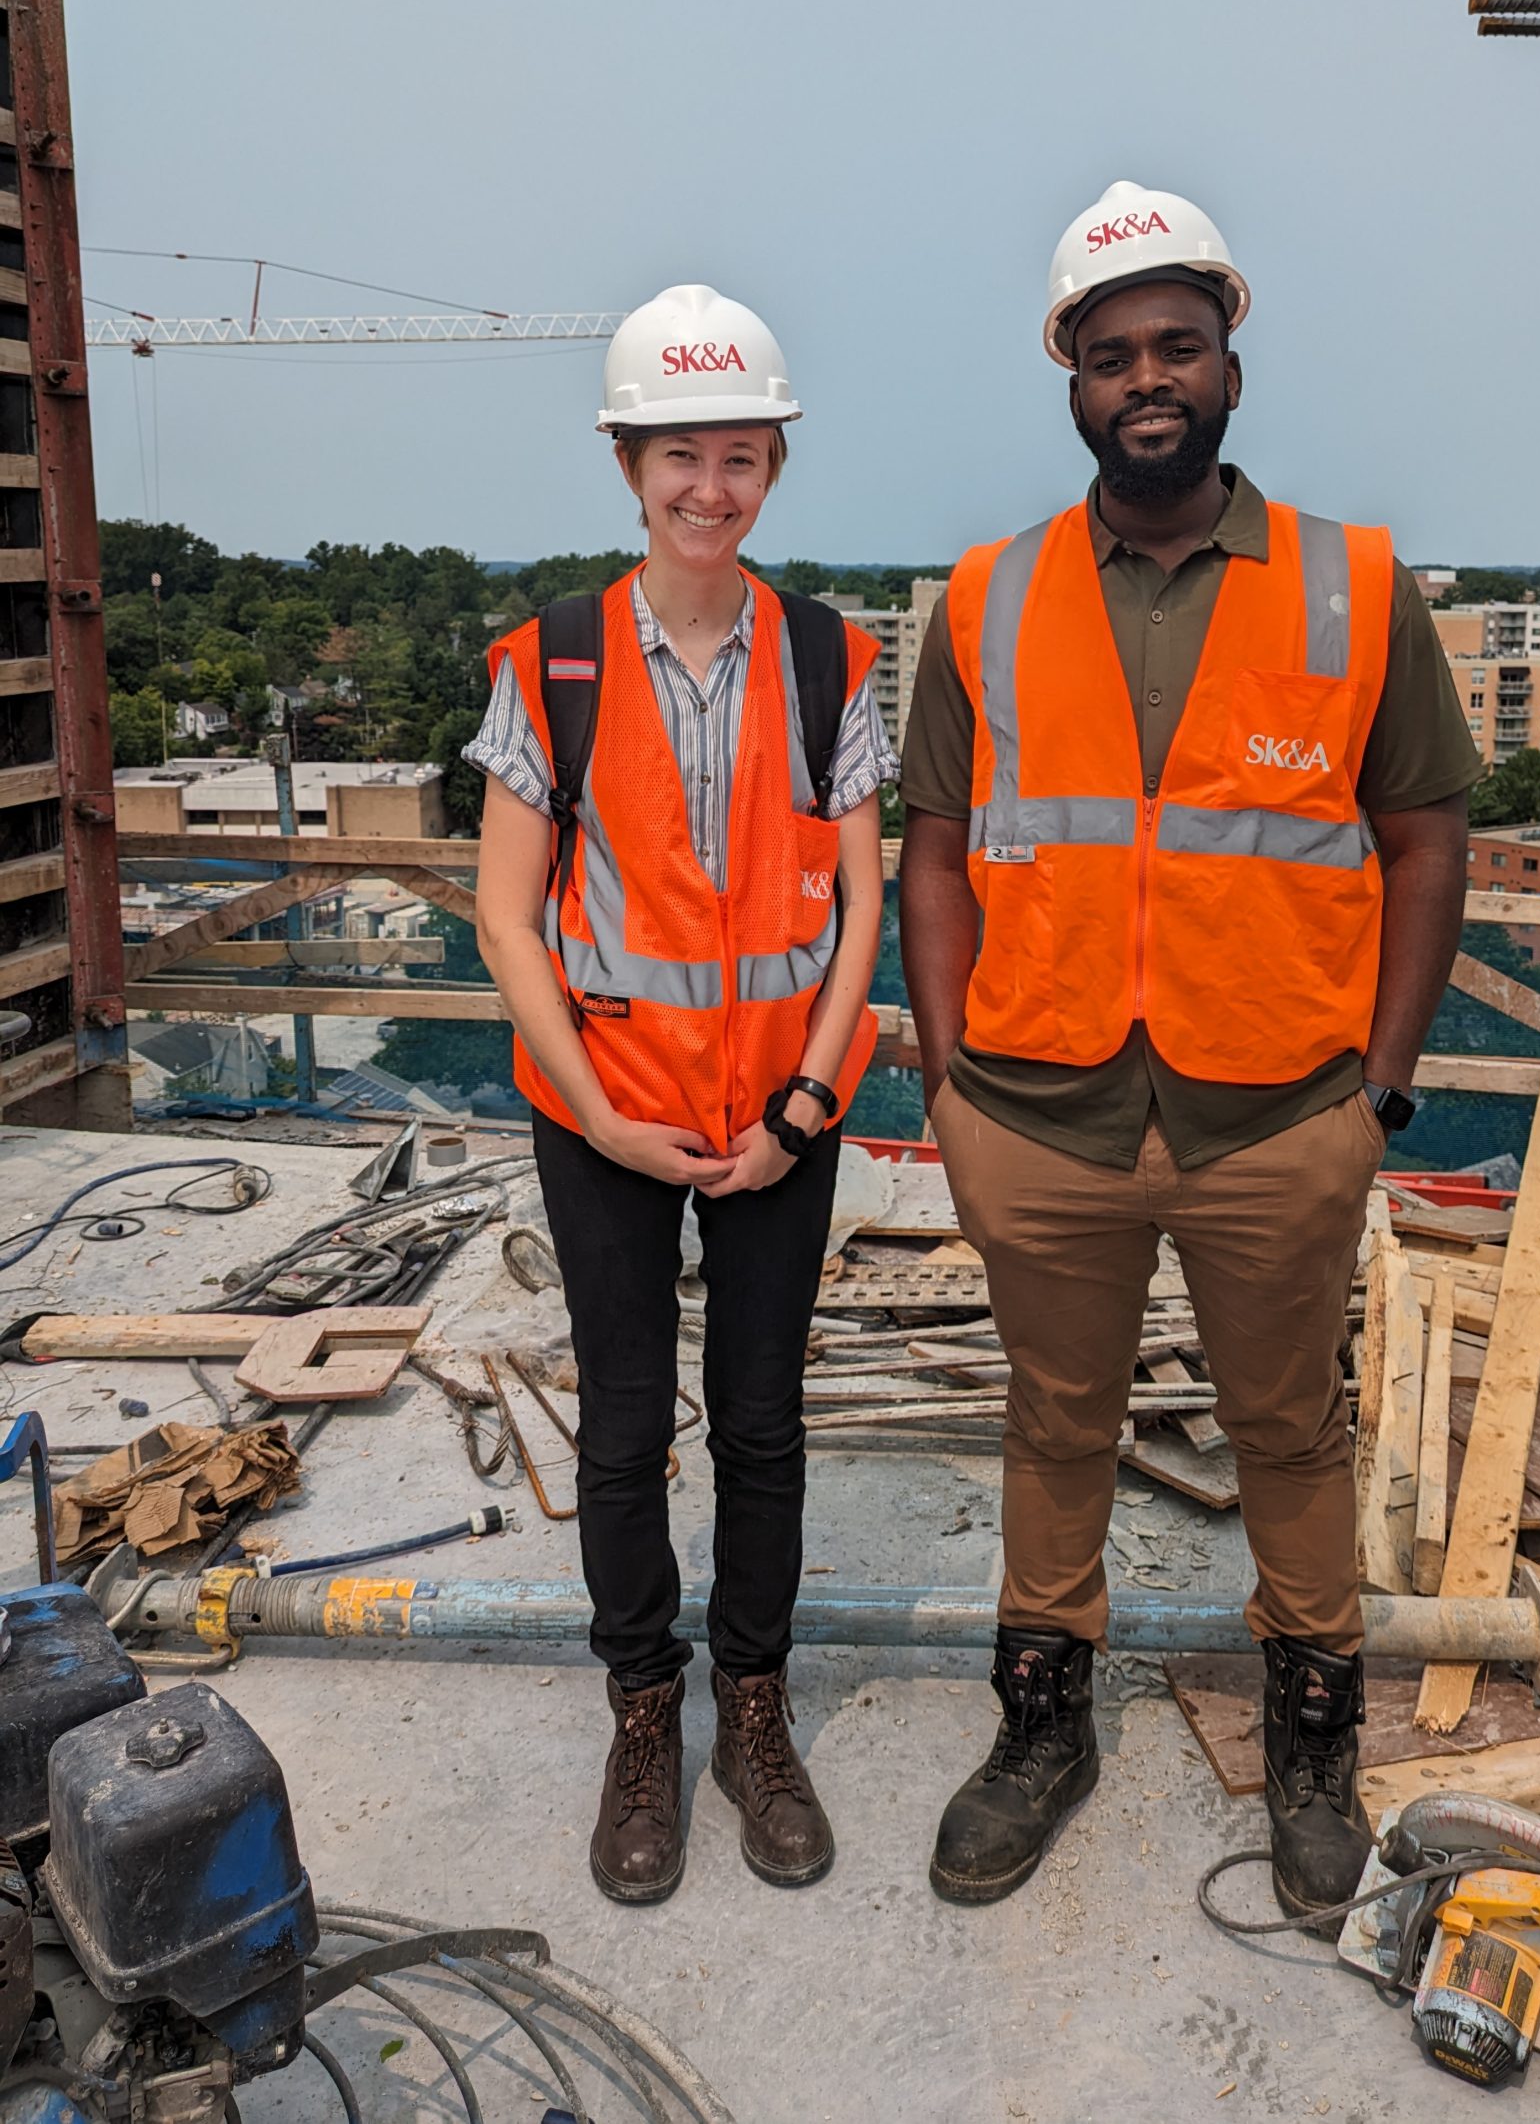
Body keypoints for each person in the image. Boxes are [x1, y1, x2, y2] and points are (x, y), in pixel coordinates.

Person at [900, 183, 1479, 1919]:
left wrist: (1376, 1088)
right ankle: (1040, 1733)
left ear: (1230, 363)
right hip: (1042, 1109)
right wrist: (943, 1073)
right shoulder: (988, 597)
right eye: (1111, 351)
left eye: (1178, 345)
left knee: (1288, 1432)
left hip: (1278, 1115)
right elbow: (932, 840)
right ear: (1067, 376)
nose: (1146, 377)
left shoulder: (1354, 585)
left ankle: (1315, 1752)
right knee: (1054, 1423)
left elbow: (1426, 836)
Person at [471, 283, 893, 1904]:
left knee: (766, 1430)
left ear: (772, 464)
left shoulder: (825, 653)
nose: (711, 488)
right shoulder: (554, 663)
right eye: (680, 457)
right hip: (608, 1119)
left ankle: (758, 1709)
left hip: (781, 1113)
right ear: (629, 464)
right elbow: (508, 916)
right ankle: (647, 1714)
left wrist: (800, 1106)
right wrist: (593, 1112)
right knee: (629, 1431)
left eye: (741, 456)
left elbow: (859, 904)